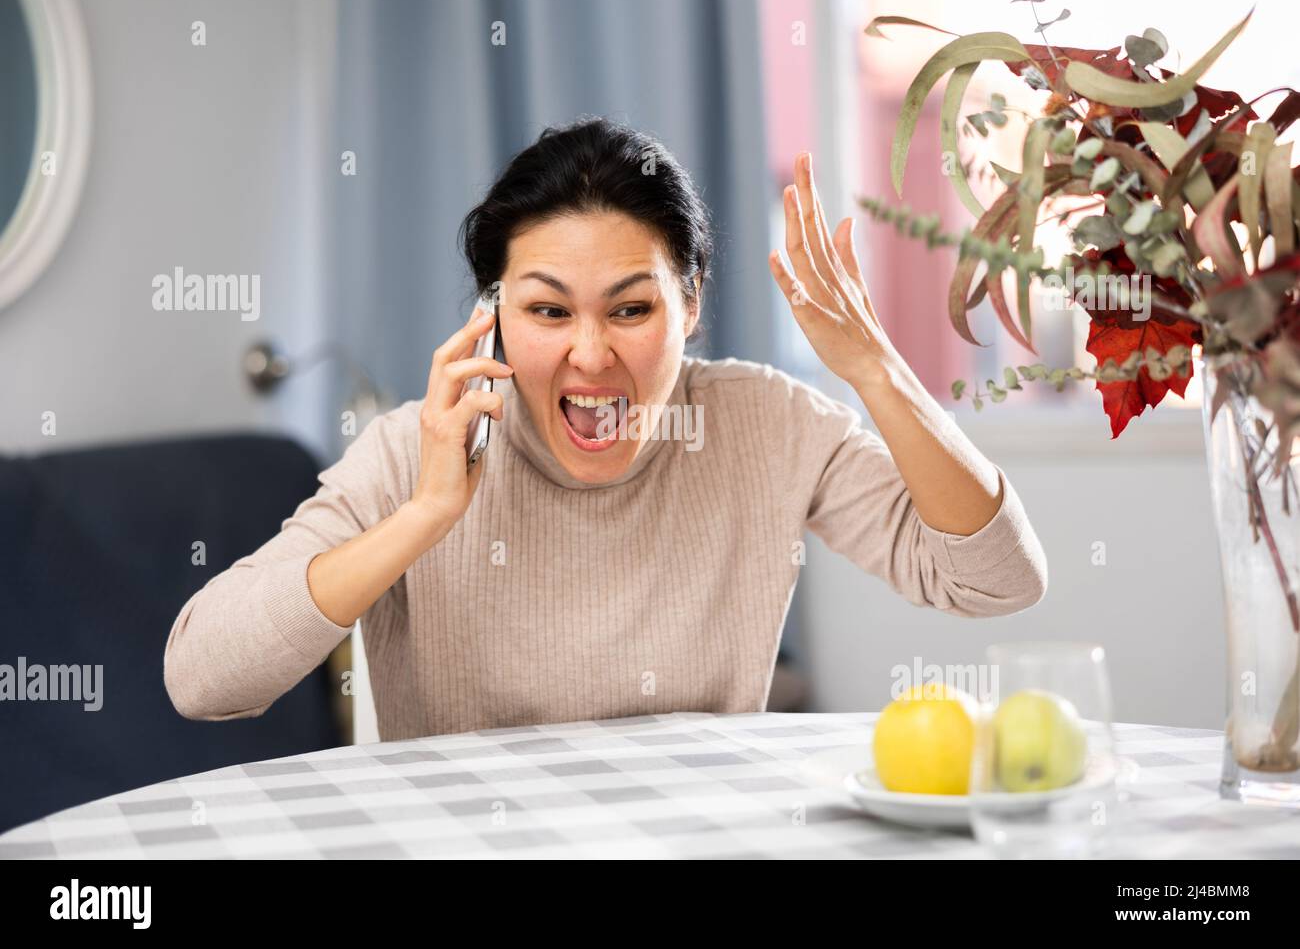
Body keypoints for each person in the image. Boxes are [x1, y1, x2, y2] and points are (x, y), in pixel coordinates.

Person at [164, 117, 1047, 741]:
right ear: (496, 316)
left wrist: (875, 369)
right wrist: (426, 515)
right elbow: (202, 679)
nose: (590, 355)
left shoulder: (766, 424)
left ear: (692, 302)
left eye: (630, 308)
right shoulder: (416, 448)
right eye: (548, 310)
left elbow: (998, 582)